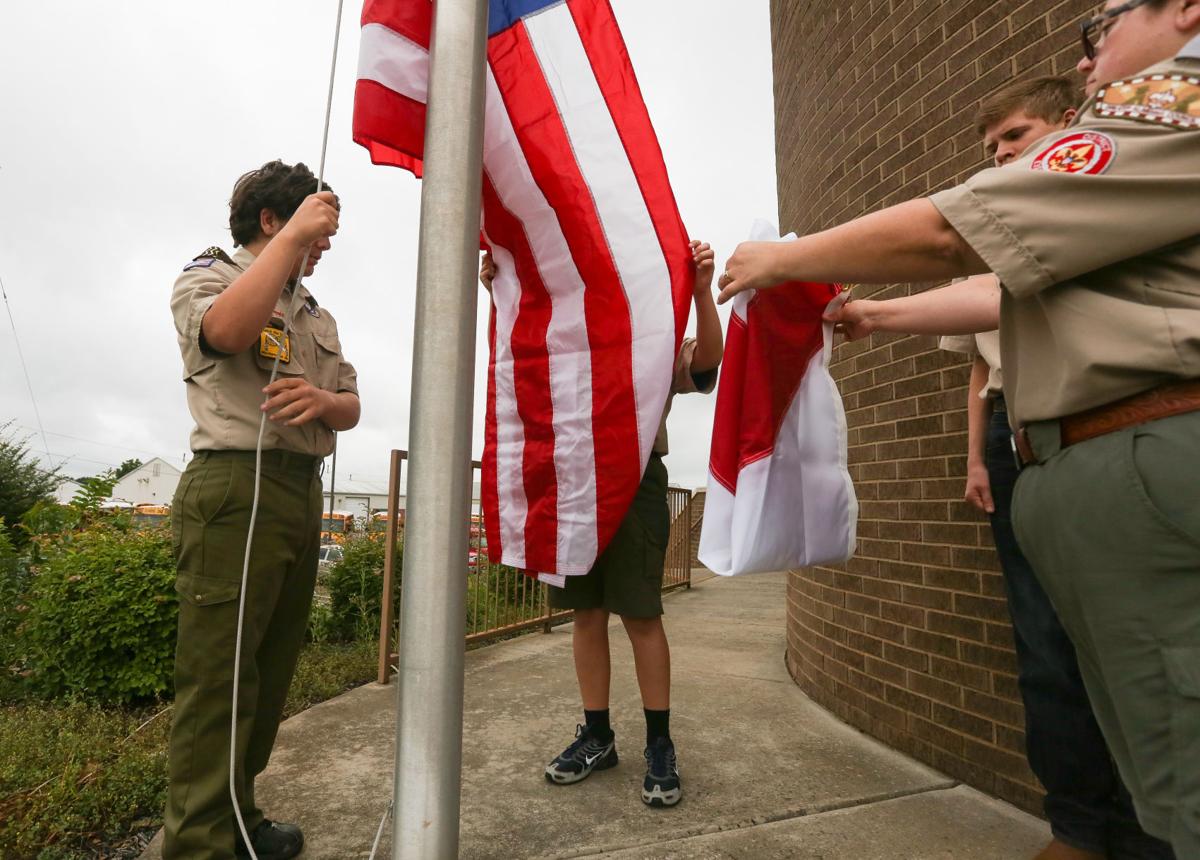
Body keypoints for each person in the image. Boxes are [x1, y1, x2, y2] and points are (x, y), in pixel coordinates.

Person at [718, 1, 1200, 853]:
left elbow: (952, 237)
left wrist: (788, 259)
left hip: (1141, 447)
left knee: (1177, 763)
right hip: (1081, 459)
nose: (1089, 62)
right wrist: (876, 317)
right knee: (1129, 725)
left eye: (1104, 27)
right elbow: (1000, 294)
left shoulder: (1169, 110)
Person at [837, 75, 1174, 860]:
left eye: (1014, 138)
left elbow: (970, 265)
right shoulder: (1012, 231)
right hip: (1021, 439)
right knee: (1046, 646)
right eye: (989, 149)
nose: (998, 156)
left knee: (1131, 649)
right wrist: (976, 457)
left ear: (1068, 124)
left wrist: (832, 286)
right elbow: (981, 363)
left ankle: (1146, 832)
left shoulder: (1106, 185)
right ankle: (1081, 827)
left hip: (1105, 433)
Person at [481, 240, 723, 808]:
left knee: (641, 614)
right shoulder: (568, 323)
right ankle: (598, 735)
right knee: (586, 614)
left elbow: (708, 360)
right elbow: (528, 349)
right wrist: (504, 284)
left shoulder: (653, 327)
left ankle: (659, 744)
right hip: (570, 482)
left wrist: (703, 291)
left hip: (634, 481)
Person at [166, 160, 360, 860]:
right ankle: (195, 844)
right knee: (218, 678)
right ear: (273, 221)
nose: (325, 246)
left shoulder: (314, 312)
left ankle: (236, 817)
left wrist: (322, 402)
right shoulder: (213, 275)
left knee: (268, 670)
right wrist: (288, 248)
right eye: (316, 229)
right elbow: (222, 333)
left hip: (297, 489)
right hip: (234, 487)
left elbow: (351, 404)